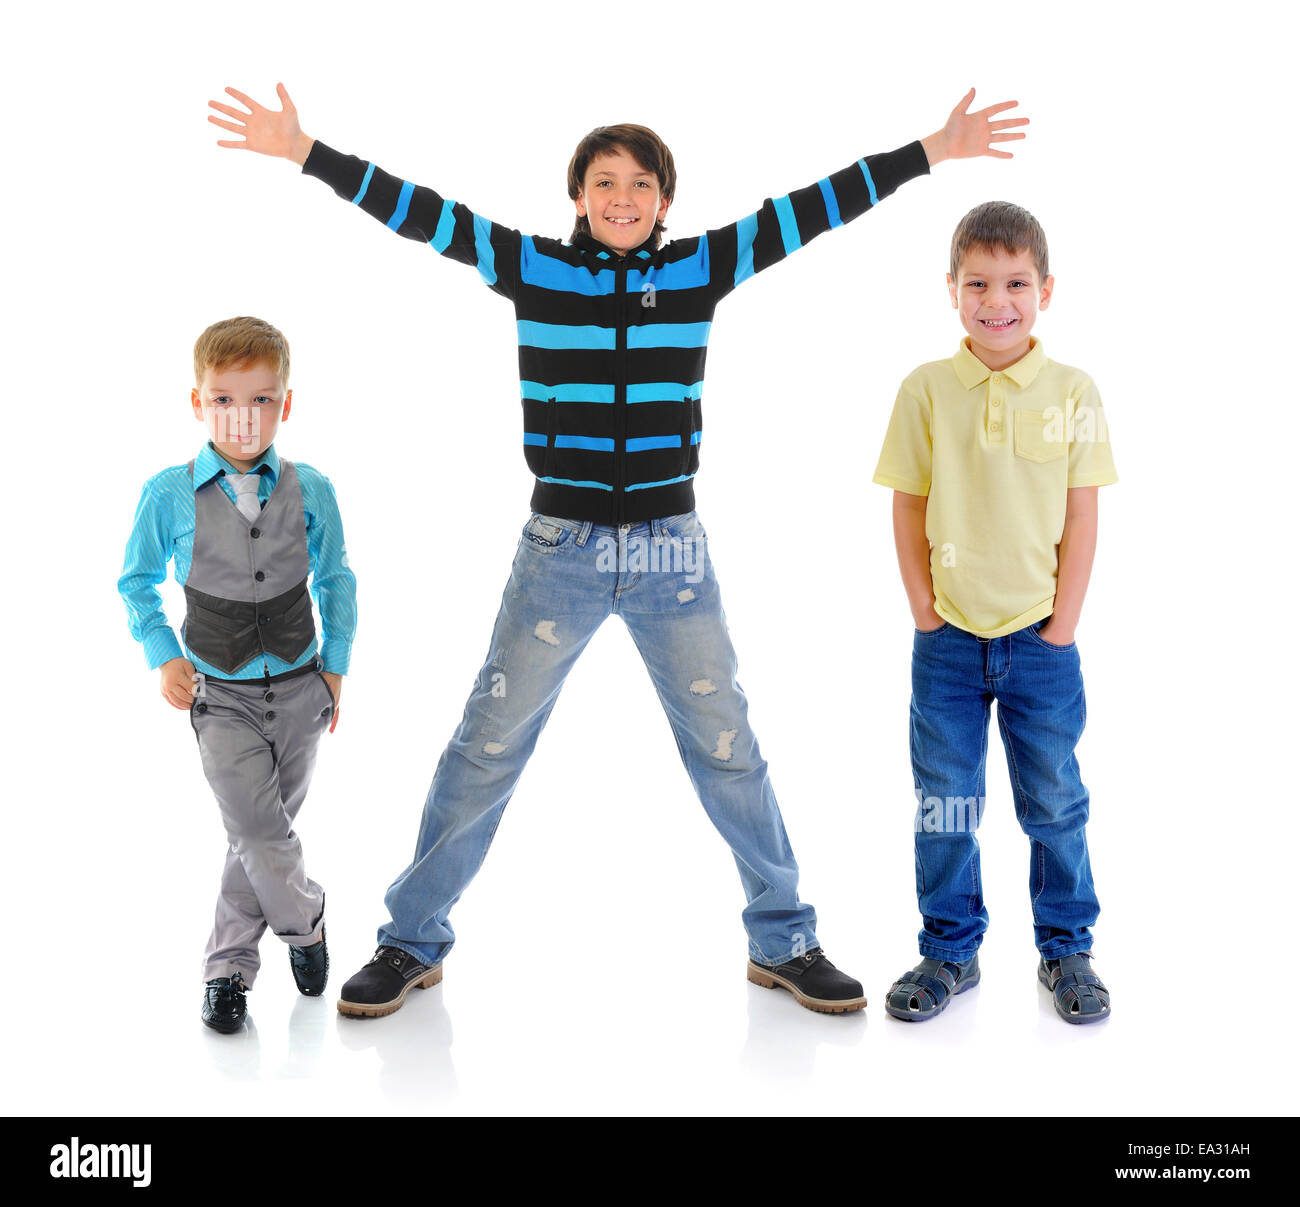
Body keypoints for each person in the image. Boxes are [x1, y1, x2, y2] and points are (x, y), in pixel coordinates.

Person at [208, 83, 1025, 1016]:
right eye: (606, 183)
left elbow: (816, 207)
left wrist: (933, 148)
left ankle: (784, 938)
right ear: (580, 196)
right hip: (559, 547)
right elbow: (418, 211)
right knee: (486, 746)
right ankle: (411, 941)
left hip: (673, 552)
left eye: (642, 183)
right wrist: (306, 149)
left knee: (730, 749)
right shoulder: (533, 269)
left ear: (665, 200)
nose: (624, 198)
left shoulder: (702, 268)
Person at [872, 201, 1117, 1024]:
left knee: (1054, 800)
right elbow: (908, 504)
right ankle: (949, 949)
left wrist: (1065, 625)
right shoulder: (927, 390)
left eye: (1015, 282)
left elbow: (1082, 514)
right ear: (951, 289)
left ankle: (1066, 948)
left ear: (1045, 289)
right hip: (946, 642)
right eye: (977, 282)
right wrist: (923, 609)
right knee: (945, 801)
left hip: (1041, 639)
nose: (996, 299)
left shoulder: (1074, 390)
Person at [118, 316, 358, 1033]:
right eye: (224, 399)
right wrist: (164, 653)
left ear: (285, 404)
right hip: (218, 694)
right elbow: (134, 582)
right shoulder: (168, 495)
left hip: (300, 688)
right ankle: (304, 921)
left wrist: (335, 672)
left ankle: (228, 967)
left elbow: (337, 577)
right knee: (258, 829)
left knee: (256, 835)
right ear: (198, 402)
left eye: (259, 399)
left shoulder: (311, 488)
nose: (242, 417)